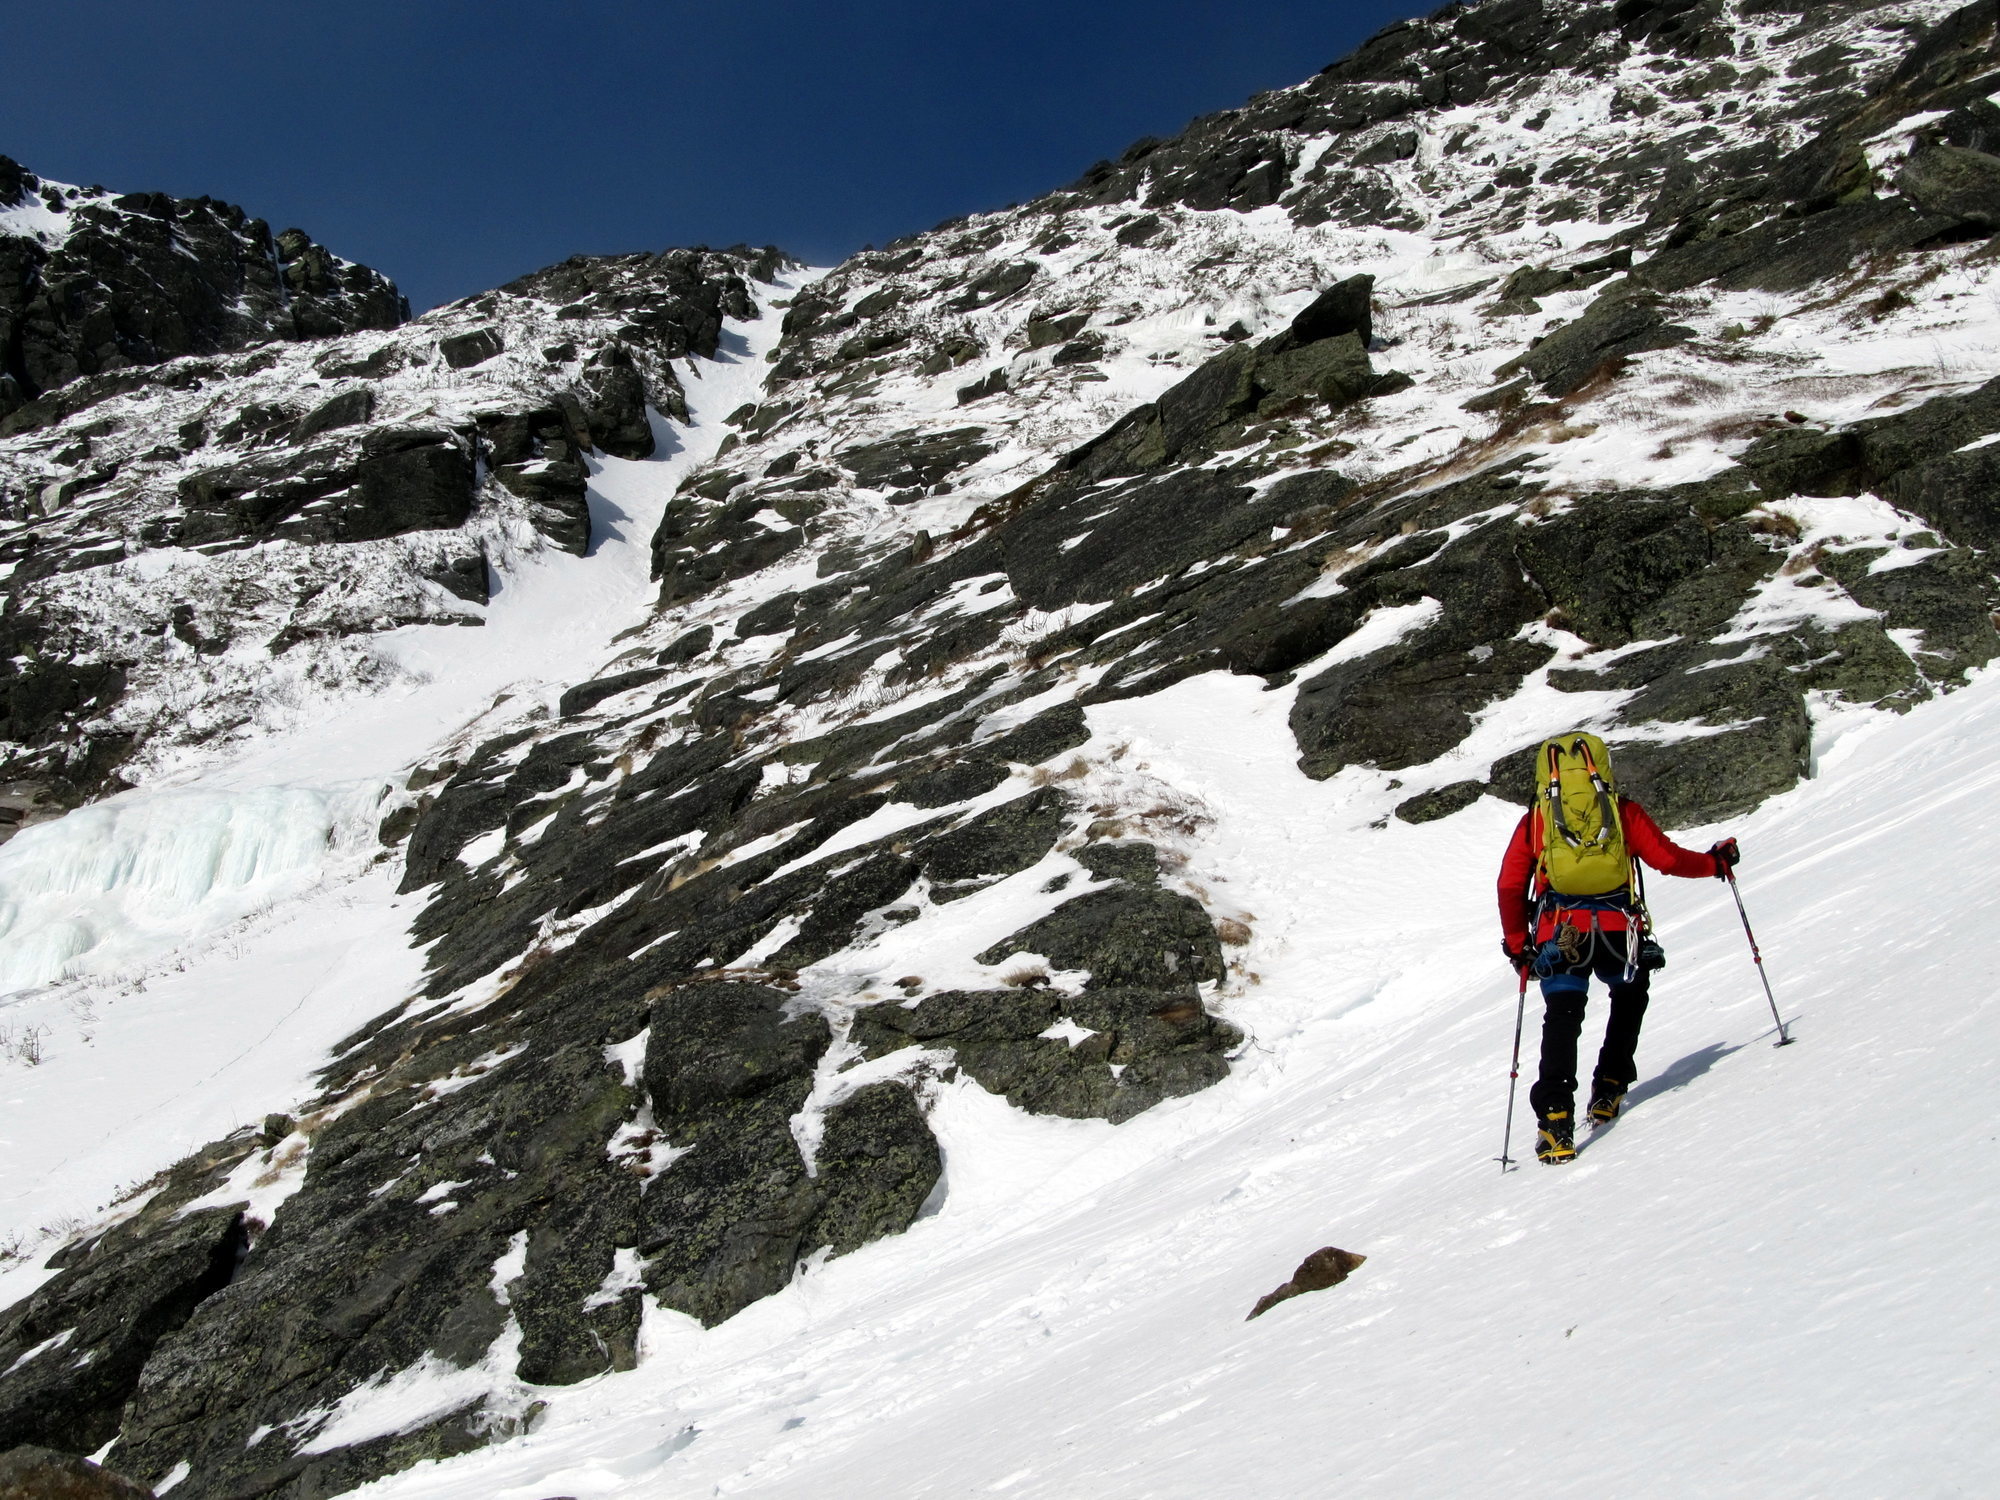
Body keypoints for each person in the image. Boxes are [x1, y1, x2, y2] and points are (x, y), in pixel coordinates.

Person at [1496, 732, 1739, 1164]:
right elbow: (1667, 859)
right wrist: (1715, 864)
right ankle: (1609, 1085)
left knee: (1563, 1018)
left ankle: (1555, 1120)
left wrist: (1518, 946)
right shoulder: (1620, 811)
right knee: (1629, 997)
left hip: (1560, 932)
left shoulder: (1537, 821)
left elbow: (1510, 885)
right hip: (1618, 931)